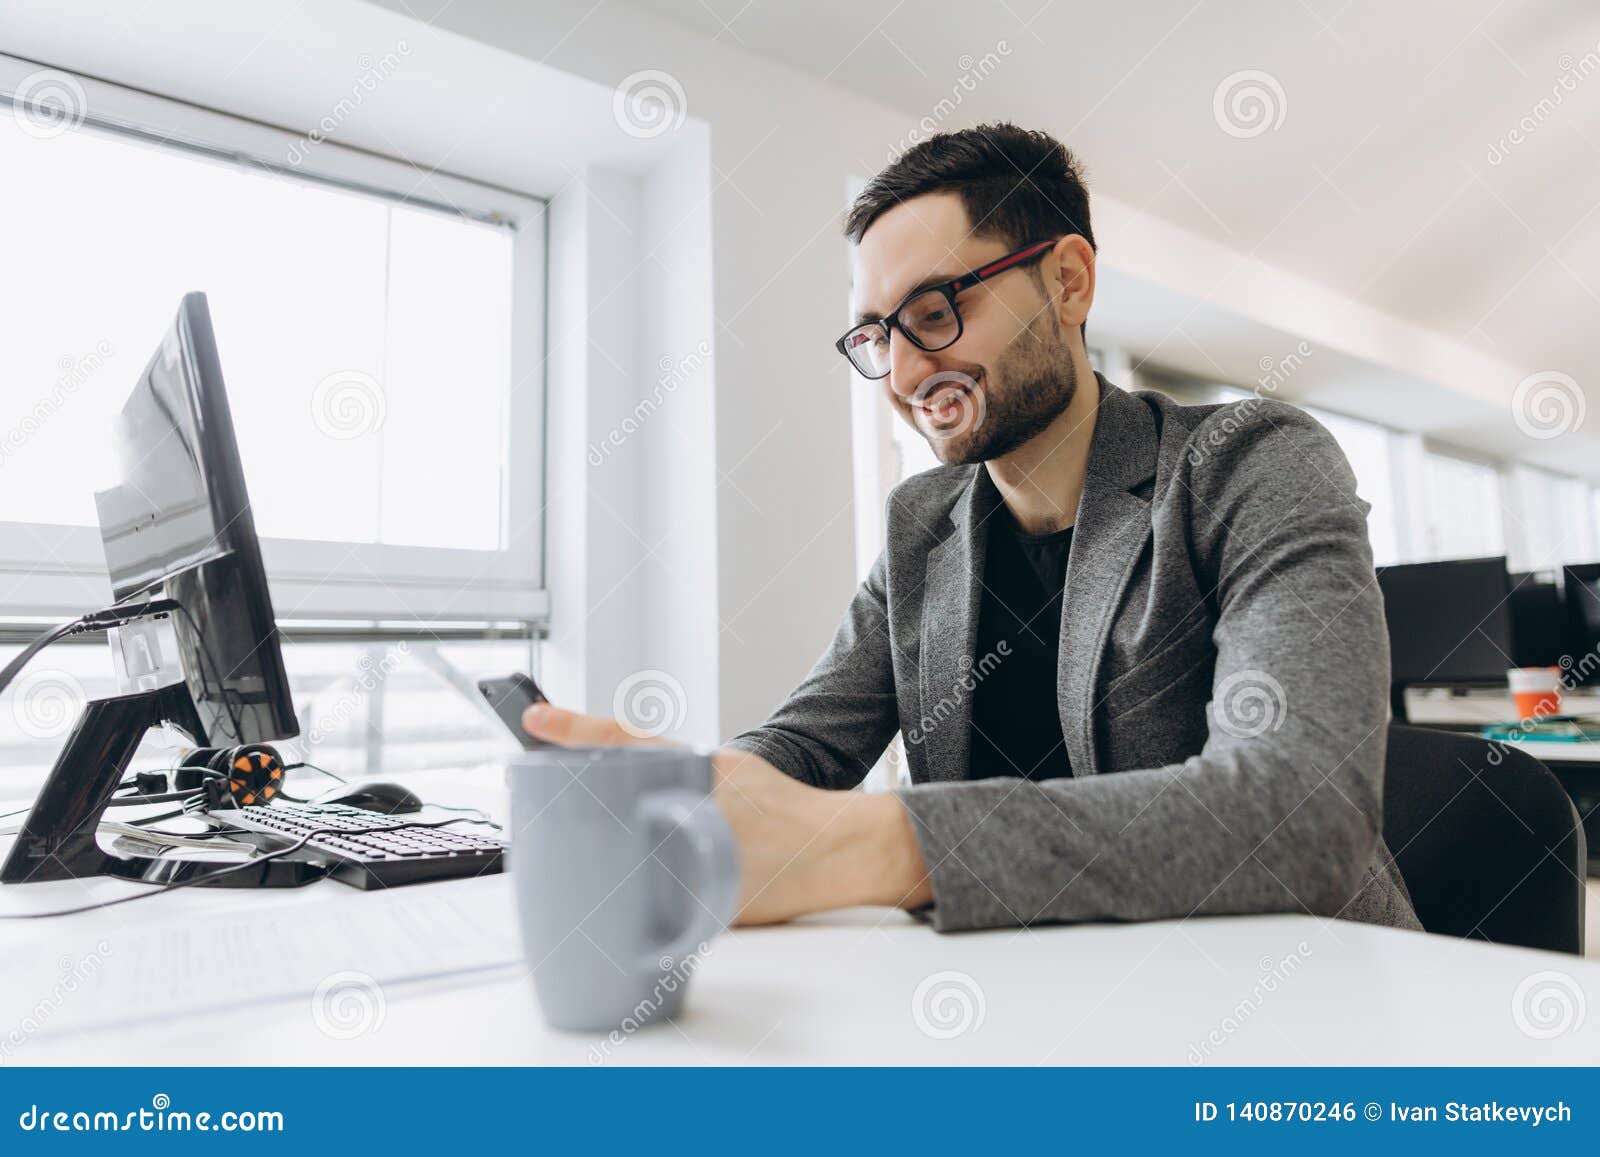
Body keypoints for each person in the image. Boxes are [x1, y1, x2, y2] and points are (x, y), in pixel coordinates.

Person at [523, 122, 1421, 934]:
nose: (907, 370)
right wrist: (685, 797)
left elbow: (1302, 815)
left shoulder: (1250, 461)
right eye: (880, 334)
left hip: (1297, 1009)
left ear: (1067, 281)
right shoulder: (923, 526)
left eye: (937, 310)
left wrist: (880, 846)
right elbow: (807, 745)